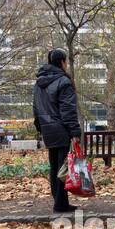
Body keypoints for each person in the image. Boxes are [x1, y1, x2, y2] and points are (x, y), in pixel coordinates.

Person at [32, 48, 81, 213]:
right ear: (62, 62)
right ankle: (60, 205)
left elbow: (36, 109)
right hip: (61, 129)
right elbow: (68, 110)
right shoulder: (63, 81)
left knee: (55, 168)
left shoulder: (39, 83)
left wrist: (41, 128)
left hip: (47, 130)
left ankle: (60, 202)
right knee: (63, 167)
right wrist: (75, 133)